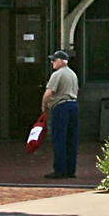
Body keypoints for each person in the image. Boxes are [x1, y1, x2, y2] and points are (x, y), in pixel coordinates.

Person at [42, 50, 80, 179]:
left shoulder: (58, 74)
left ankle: (59, 170)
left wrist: (44, 106)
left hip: (61, 106)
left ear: (61, 61)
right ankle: (70, 169)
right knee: (71, 139)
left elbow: (49, 93)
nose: (52, 62)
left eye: (54, 60)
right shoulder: (73, 74)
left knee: (59, 139)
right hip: (73, 105)